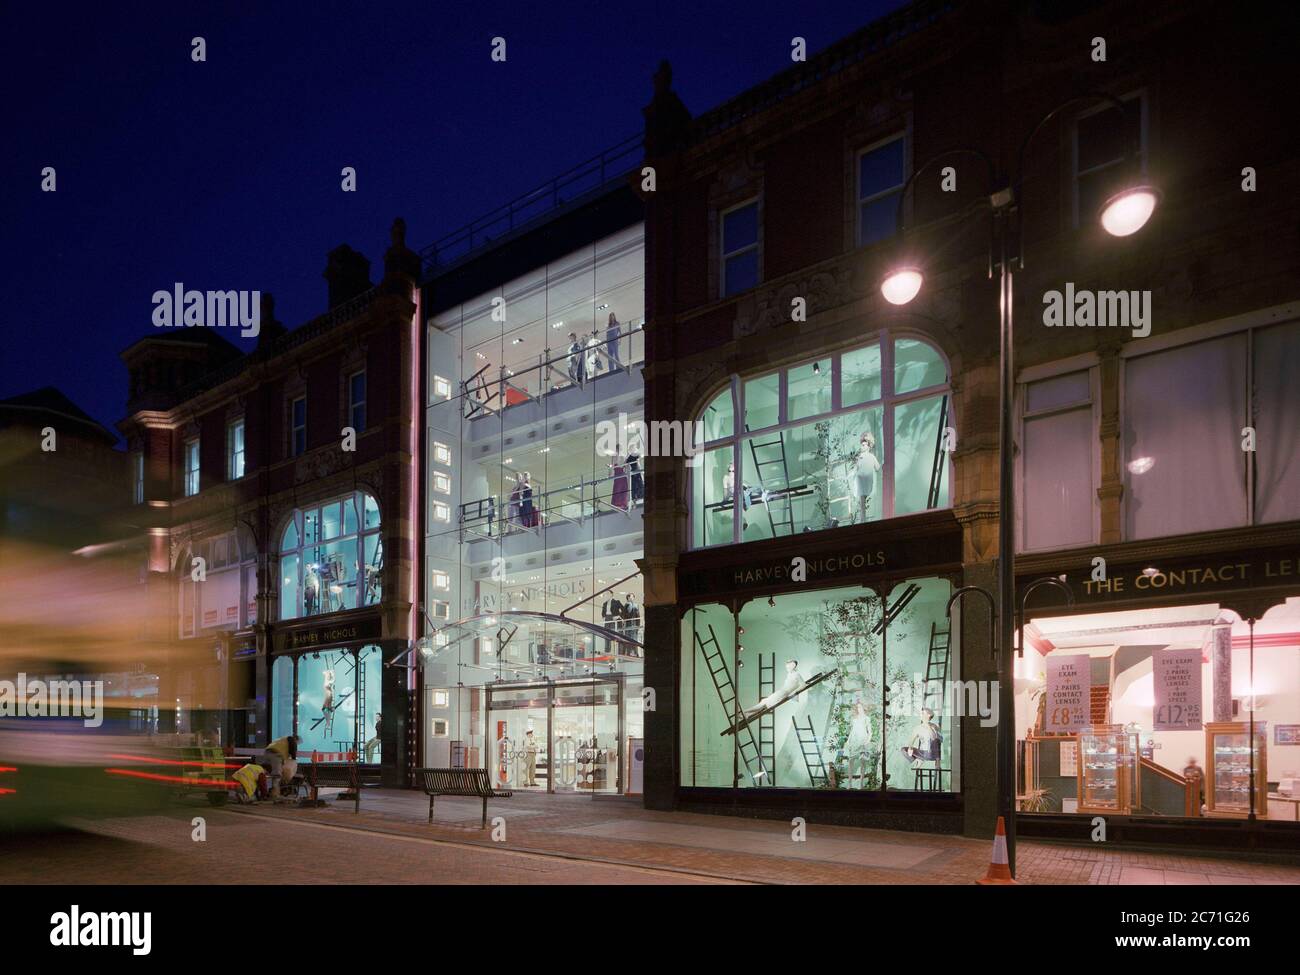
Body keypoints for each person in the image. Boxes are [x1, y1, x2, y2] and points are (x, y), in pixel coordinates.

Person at [851, 431, 881, 524]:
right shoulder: (860, 457)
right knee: (862, 501)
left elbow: (878, 467)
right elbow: (856, 468)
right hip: (861, 479)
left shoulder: (871, 457)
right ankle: (862, 520)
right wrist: (850, 474)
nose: (862, 447)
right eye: (862, 445)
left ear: (869, 446)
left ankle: (863, 519)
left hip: (867, 480)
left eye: (864, 445)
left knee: (864, 499)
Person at [844, 698, 873, 789]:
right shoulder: (854, 719)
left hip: (863, 742)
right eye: (858, 707)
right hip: (854, 741)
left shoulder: (867, 718)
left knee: (863, 762)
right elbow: (852, 731)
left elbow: (870, 731)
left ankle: (861, 782)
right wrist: (848, 741)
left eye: (860, 707)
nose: (859, 709)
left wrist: (867, 741)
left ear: (864, 708)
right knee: (851, 761)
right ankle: (849, 782)